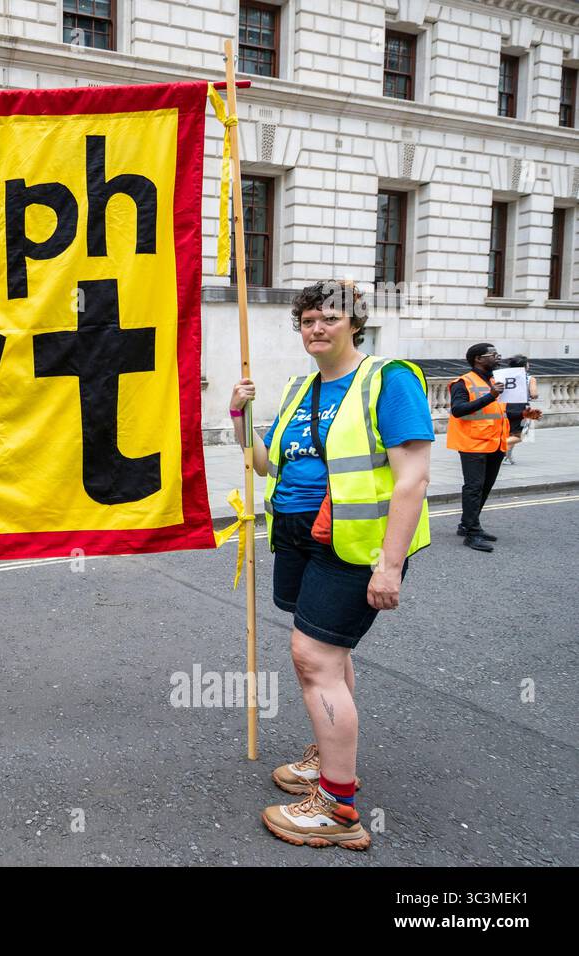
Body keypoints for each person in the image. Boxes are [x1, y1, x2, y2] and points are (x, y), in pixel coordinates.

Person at [229, 280, 433, 851]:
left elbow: (413, 478)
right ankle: (328, 755)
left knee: (311, 657)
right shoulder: (301, 388)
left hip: (354, 545)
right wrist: (240, 415)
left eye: (327, 319)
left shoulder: (388, 380)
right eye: (307, 321)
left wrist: (389, 565)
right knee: (329, 653)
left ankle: (338, 808)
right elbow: (265, 464)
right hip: (298, 538)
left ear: (354, 323)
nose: (315, 329)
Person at [446, 343, 510, 551]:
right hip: (472, 443)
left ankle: (468, 525)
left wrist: (526, 414)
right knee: (473, 487)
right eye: (493, 354)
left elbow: (498, 411)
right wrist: (490, 395)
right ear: (478, 359)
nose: (498, 357)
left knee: (485, 486)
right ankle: (472, 534)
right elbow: (458, 410)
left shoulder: (495, 381)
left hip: (495, 442)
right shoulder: (462, 382)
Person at [502, 354, 540, 465]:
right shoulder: (530, 378)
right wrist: (535, 395)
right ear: (524, 366)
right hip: (521, 409)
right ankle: (499, 446)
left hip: (505, 408)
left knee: (510, 433)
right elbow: (534, 394)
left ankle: (507, 458)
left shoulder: (504, 377)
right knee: (522, 435)